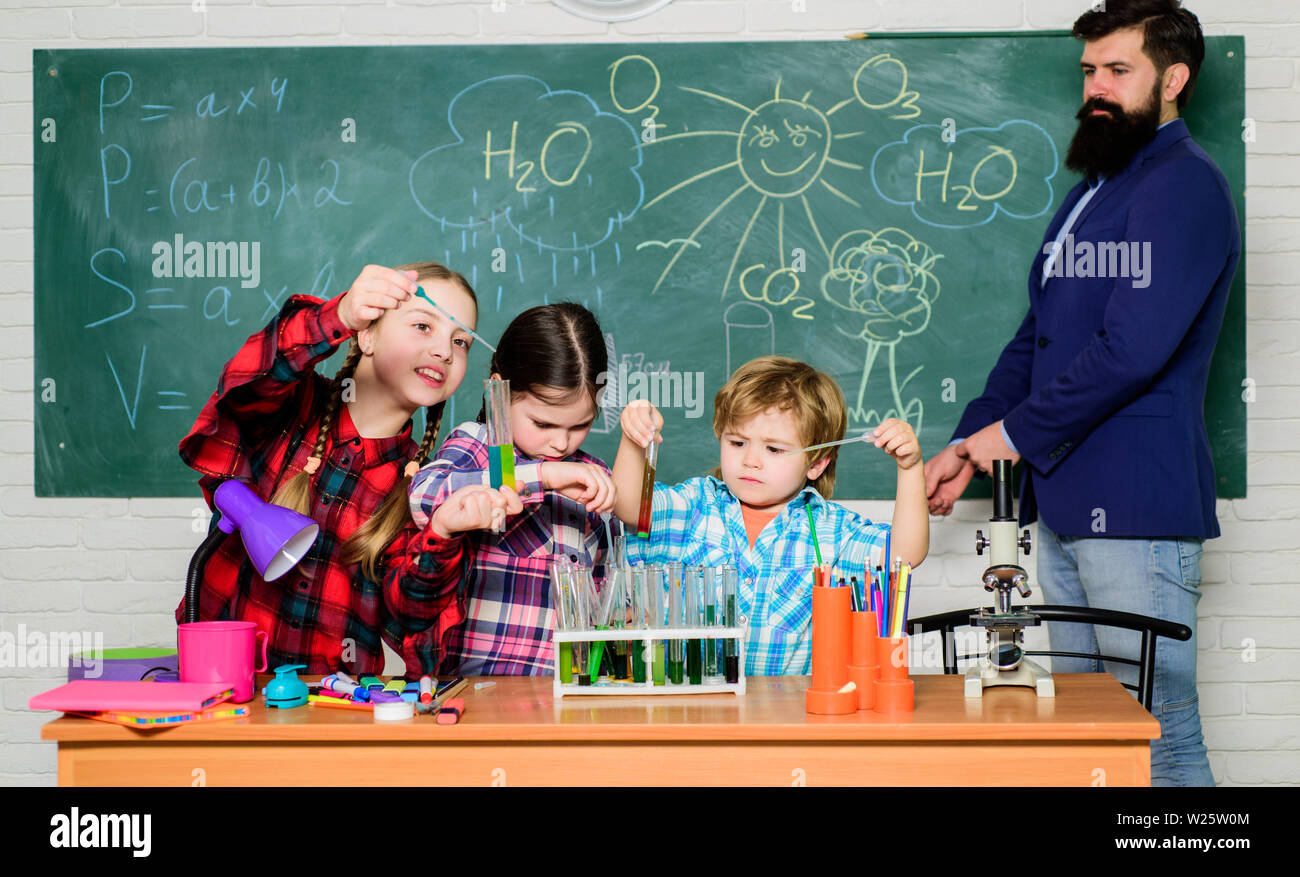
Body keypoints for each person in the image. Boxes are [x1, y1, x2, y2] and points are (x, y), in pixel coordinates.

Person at [924, 0, 1237, 786]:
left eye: (1117, 70)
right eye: (1089, 71)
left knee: (1160, 734)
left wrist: (1018, 434)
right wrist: (972, 440)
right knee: (1096, 734)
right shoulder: (1095, 189)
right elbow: (1040, 335)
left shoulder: (1183, 187)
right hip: (1065, 505)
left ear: (1173, 79)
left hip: (1136, 508)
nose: (1096, 86)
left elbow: (1131, 350)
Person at [177, 262, 521, 677]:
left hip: (332, 710)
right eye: (423, 327)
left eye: (461, 341)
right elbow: (248, 378)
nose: (445, 352)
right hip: (223, 686)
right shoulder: (293, 405)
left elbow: (412, 614)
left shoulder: (425, 485)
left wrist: (443, 533)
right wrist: (336, 316)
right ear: (368, 333)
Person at [614, 356, 929, 676]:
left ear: (817, 463)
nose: (751, 460)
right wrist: (634, 438)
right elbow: (627, 504)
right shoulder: (696, 506)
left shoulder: (831, 531)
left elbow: (905, 554)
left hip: (786, 720)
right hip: (690, 716)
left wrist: (910, 468)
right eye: (737, 442)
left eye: (774, 449)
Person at [408, 303, 616, 676]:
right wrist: (546, 477)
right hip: (477, 682)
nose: (560, 443)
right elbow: (424, 498)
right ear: (499, 392)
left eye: (580, 426)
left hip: (567, 686)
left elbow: (606, 577)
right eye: (543, 423)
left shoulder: (593, 475)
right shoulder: (477, 447)